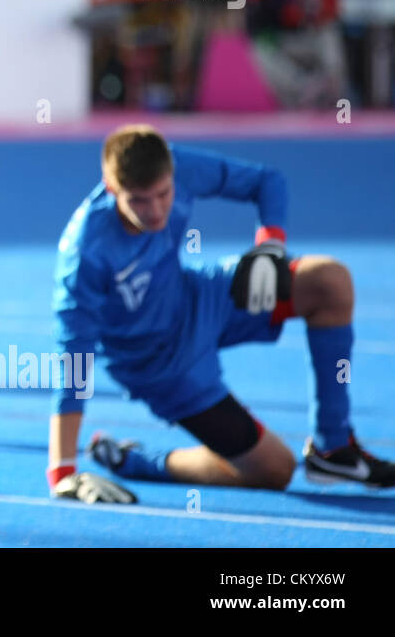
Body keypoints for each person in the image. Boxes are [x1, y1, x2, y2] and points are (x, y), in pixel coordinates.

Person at [48, 124, 394, 505]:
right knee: (275, 470)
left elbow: (266, 181)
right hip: (159, 365)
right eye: (140, 201)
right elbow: (74, 360)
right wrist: (62, 471)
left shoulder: (179, 165)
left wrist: (270, 247)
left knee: (330, 281)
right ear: (112, 189)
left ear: (172, 176)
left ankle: (333, 449)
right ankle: (139, 461)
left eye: (164, 194)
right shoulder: (84, 252)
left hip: (197, 297)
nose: (157, 209)